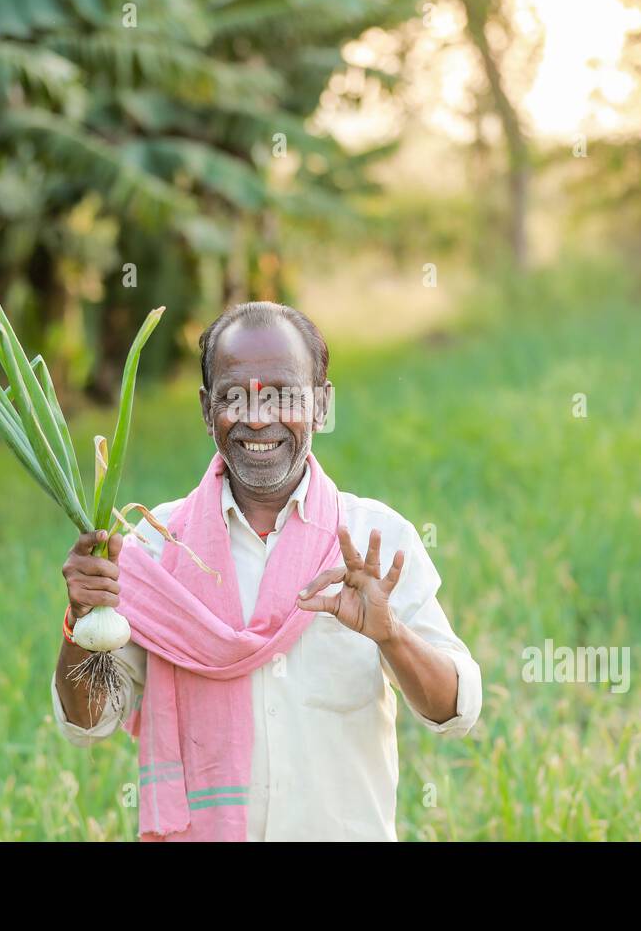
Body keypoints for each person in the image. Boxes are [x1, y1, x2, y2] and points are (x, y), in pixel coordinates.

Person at [53, 302, 481, 840]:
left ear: (322, 406)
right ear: (208, 410)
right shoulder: (153, 551)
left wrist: (391, 635)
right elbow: (89, 724)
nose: (258, 416)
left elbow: (455, 711)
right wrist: (80, 621)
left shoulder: (376, 540)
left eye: (283, 393)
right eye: (234, 396)